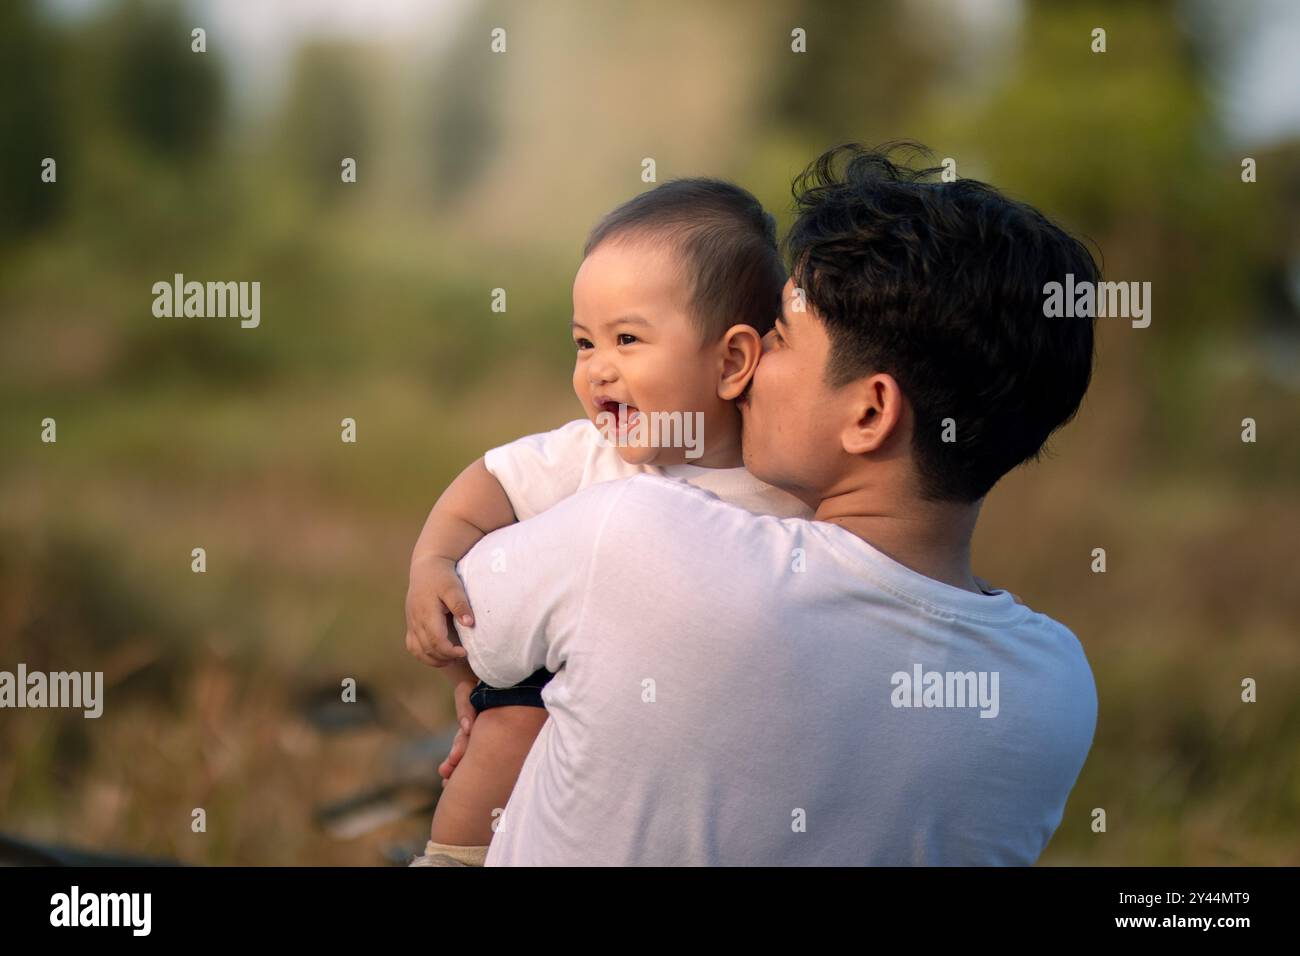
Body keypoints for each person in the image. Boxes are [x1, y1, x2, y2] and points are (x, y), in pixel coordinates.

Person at [413, 143, 1100, 865]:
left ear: (869, 413)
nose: (744, 369)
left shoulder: (636, 532)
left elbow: (470, 625)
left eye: (778, 337)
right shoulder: (1055, 694)